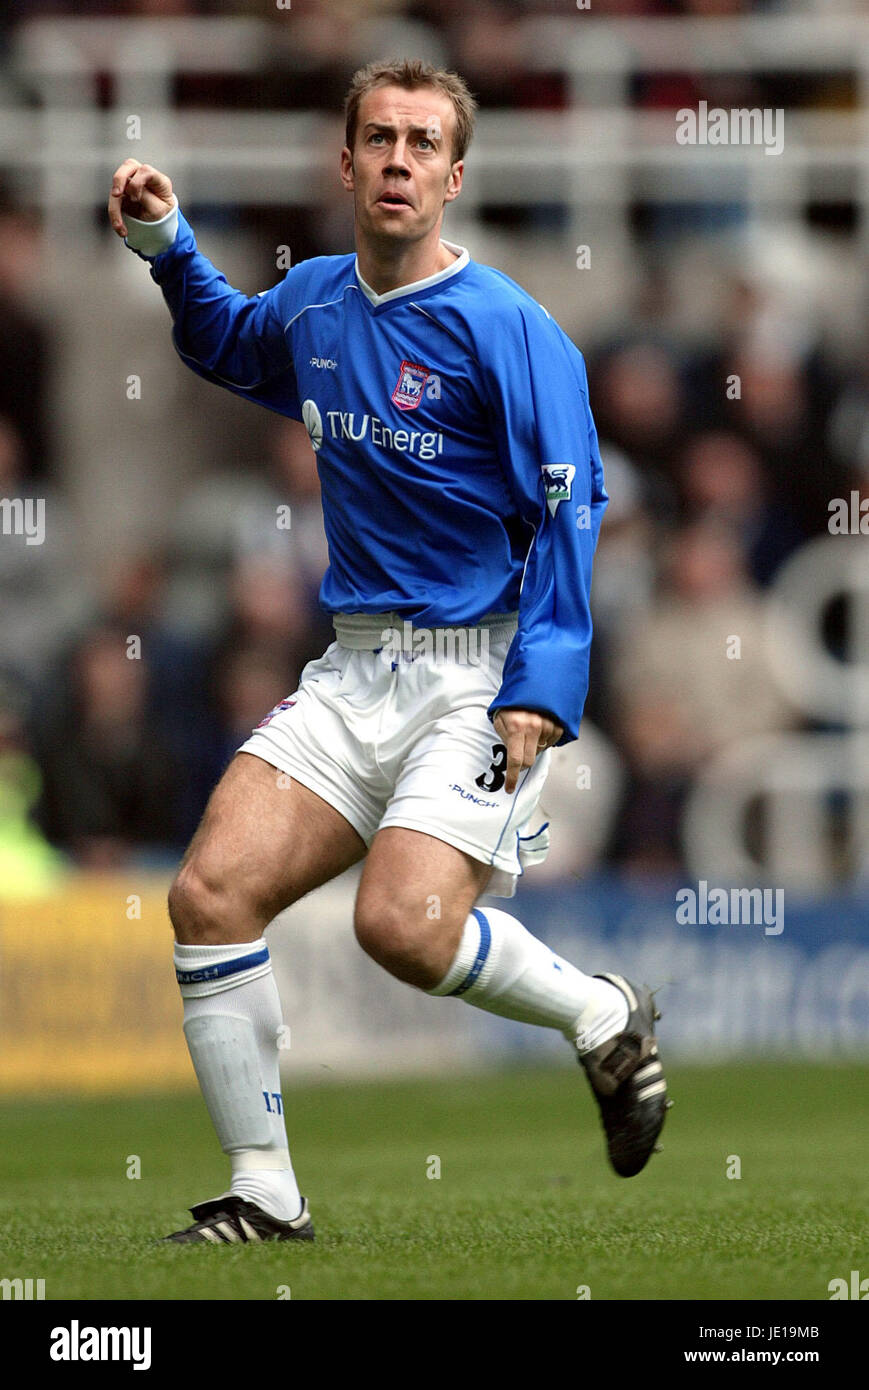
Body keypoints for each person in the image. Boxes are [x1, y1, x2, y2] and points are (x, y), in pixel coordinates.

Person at [108, 58, 669, 1246]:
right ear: (346, 162)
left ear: (454, 175)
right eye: (380, 139)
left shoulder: (511, 329)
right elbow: (228, 344)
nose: (400, 160)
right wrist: (168, 244)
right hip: (353, 668)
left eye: (423, 143)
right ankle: (264, 1188)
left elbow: (572, 509)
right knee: (208, 894)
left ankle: (600, 1013)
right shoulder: (313, 301)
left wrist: (543, 687)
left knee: (400, 926)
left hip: (479, 670)